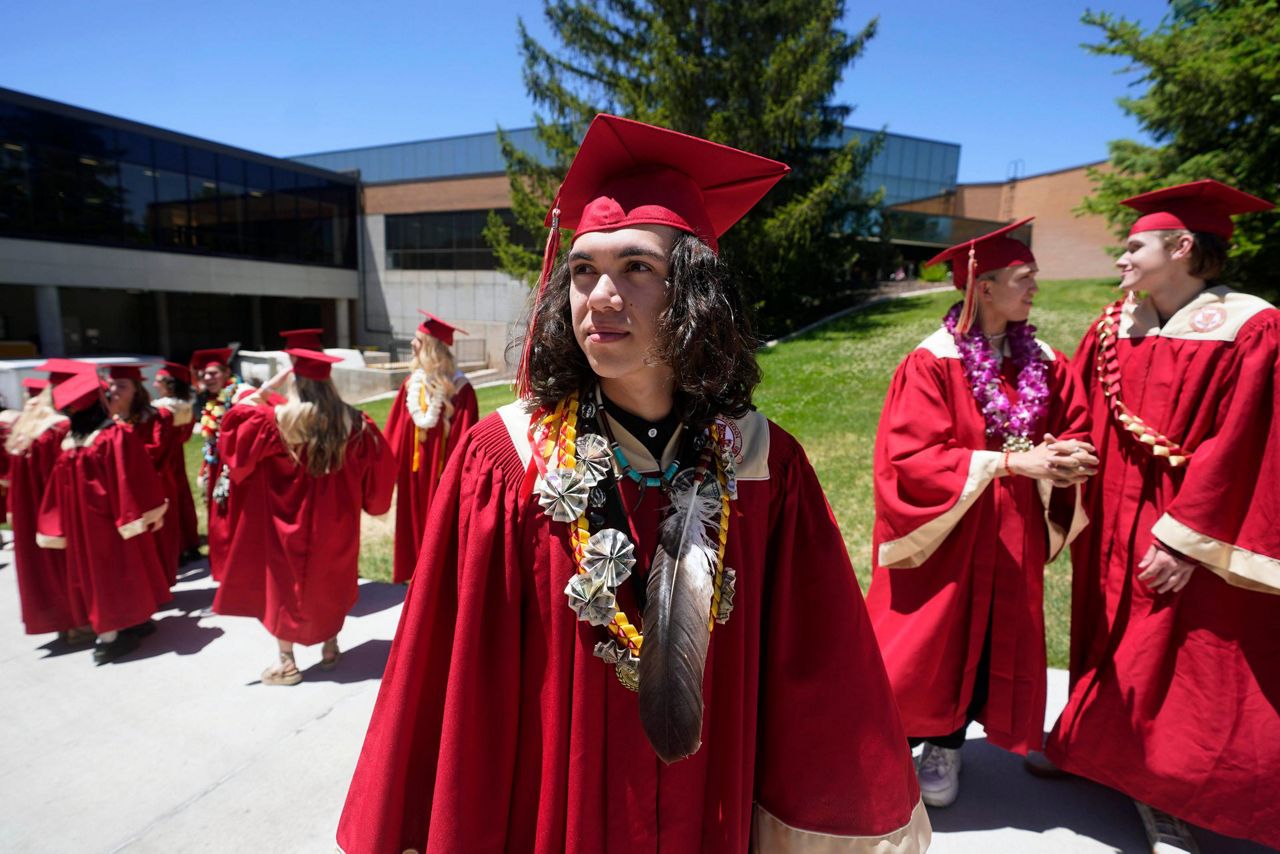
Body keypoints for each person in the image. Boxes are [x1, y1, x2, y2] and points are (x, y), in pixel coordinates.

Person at [337, 115, 929, 853]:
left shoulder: (761, 462)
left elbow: (816, 667)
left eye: (636, 268)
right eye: (583, 270)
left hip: (709, 803)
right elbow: (451, 685)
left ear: (695, 292)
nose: (600, 296)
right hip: (556, 807)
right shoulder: (506, 459)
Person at [1045, 180, 1279, 851]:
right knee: (1109, 639)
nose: (1122, 258)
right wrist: (1068, 454)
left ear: (1181, 248)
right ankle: (1092, 749)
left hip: (1188, 526)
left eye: (1135, 246)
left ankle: (1169, 790)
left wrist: (1185, 539)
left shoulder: (1251, 324)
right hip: (1111, 515)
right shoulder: (1117, 323)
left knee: (1182, 656)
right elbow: (1083, 407)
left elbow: (1247, 444)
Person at [864, 219, 1096, 809]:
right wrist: (1014, 464)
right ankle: (898, 742)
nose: (1035, 289)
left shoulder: (1042, 357)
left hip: (1013, 526)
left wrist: (1069, 454)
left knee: (997, 637)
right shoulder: (934, 361)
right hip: (949, 529)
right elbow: (912, 456)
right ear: (983, 287)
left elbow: (1073, 424)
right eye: (1024, 279)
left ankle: (953, 746)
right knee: (929, 641)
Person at [211, 349, 395, 684]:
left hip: (285, 524)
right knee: (331, 583)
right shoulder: (354, 422)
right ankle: (330, 647)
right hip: (337, 525)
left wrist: (264, 390)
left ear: (294, 382)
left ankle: (287, 662)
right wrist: (373, 502)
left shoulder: (275, 421)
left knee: (285, 589)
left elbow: (233, 434)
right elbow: (381, 470)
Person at [36, 369, 172, 664]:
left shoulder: (70, 444)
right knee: (122, 571)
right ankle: (110, 639)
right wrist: (147, 510)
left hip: (82, 527)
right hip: (113, 520)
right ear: (100, 402)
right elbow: (132, 477)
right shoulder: (113, 436)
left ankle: (127, 623)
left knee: (98, 575)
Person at [383, 311, 479, 583]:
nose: (412, 345)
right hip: (412, 476)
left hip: (440, 479)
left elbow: (464, 443)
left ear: (430, 348)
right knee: (413, 532)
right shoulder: (411, 385)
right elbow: (393, 434)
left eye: (417, 340)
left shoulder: (460, 390)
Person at [3, 362, 81, 641]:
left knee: (41, 567)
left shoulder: (28, 427)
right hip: (52, 510)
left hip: (29, 511)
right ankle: (75, 622)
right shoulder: (57, 429)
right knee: (62, 563)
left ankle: (59, 622)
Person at [108, 364, 182, 582]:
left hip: (153, 484)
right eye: (111, 385)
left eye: (121, 385)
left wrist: (124, 453)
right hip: (123, 487)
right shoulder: (109, 420)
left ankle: (159, 585)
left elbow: (156, 451)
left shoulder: (155, 417)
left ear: (137, 390)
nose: (114, 390)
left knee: (157, 537)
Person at [192, 346, 242, 580]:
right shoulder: (210, 400)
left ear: (226, 372)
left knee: (234, 516)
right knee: (217, 513)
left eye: (213, 373)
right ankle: (223, 567)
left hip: (235, 465)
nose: (208, 378)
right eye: (204, 374)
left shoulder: (239, 395)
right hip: (215, 464)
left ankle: (237, 567)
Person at [152, 362, 200, 563]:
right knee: (183, 500)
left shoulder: (162, 410)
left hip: (165, 459)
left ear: (168, 384)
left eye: (158, 381)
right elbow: (186, 436)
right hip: (177, 456)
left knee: (169, 502)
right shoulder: (186, 406)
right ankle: (190, 543)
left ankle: (177, 548)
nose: (155, 385)